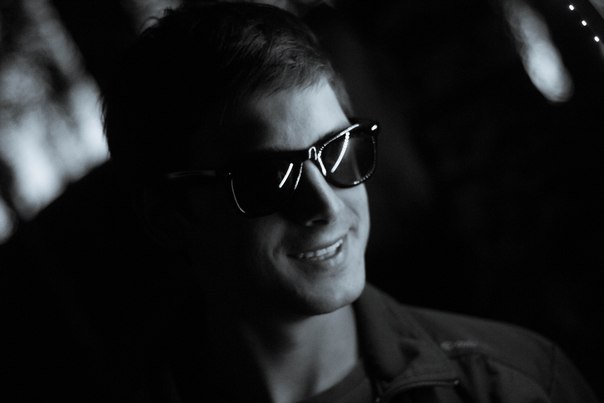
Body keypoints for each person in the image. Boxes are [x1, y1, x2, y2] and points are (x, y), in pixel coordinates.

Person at [101, 2, 599, 402]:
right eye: (268, 177)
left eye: (338, 151)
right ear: (168, 217)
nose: (325, 205)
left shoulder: (518, 384)